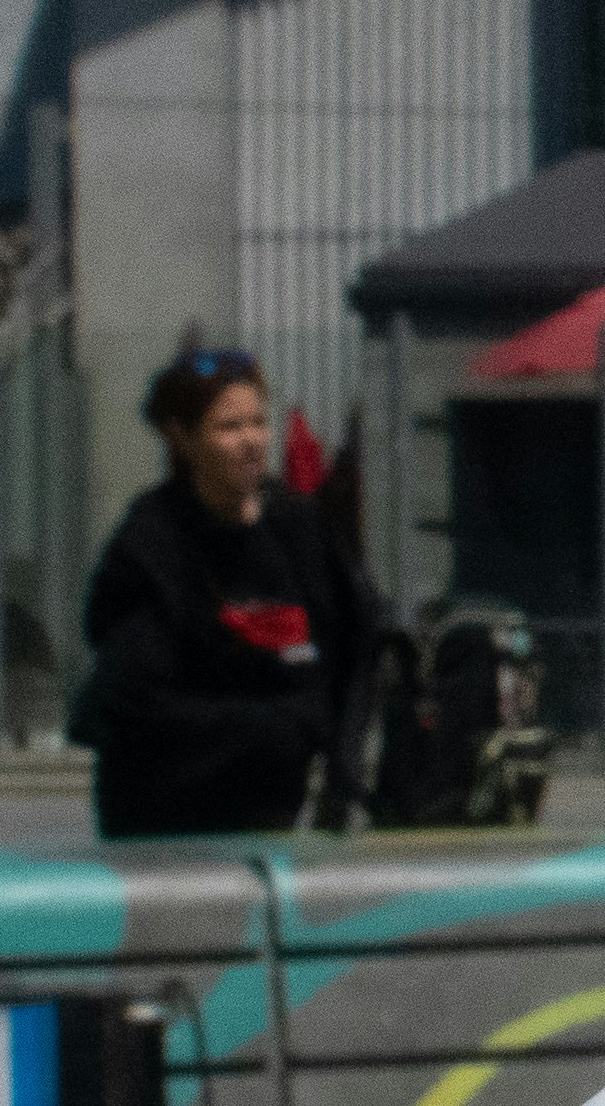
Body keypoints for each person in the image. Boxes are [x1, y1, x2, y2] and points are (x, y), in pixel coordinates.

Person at [79, 346, 381, 841]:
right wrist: (273, 729)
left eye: (258, 423)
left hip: (269, 809)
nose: (251, 442)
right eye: (228, 428)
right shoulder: (151, 543)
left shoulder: (297, 528)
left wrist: (340, 772)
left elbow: (354, 646)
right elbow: (134, 701)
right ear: (182, 439)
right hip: (163, 811)